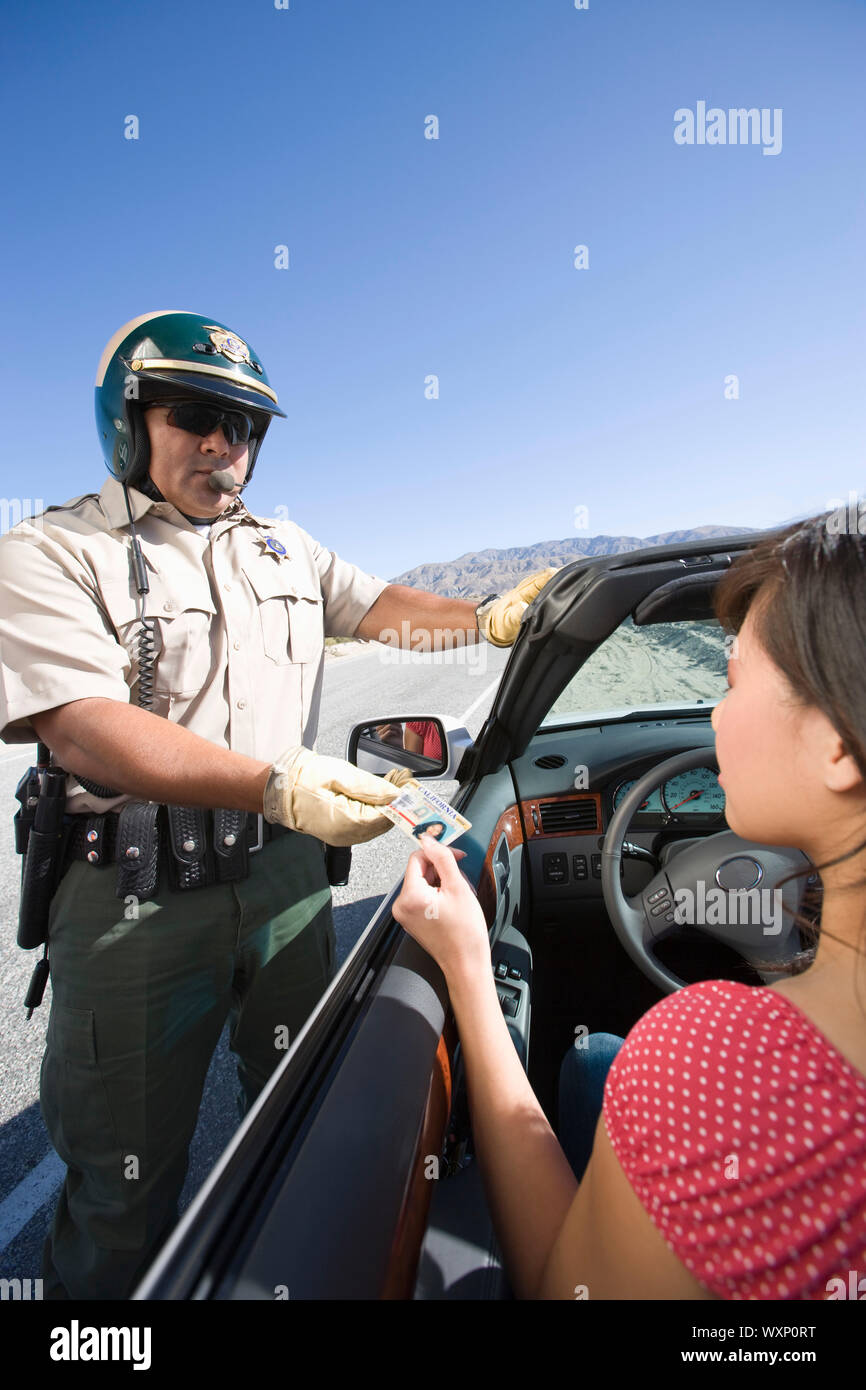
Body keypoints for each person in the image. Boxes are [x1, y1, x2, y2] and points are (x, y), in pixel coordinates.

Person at [0, 309, 557, 1300]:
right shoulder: (52, 551)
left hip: (288, 877)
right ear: (127, 421)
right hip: (137, 903)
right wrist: (274, 780)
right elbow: (82, 725)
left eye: (246, 423)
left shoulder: (284, 548)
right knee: (120, 1198)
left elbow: (383, 609)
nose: (224, 443)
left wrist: (486, 617)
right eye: (197, 414)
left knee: (306, 1124)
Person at [393, 512, 866, 1299]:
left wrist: (470, 970)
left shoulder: (712, 1063)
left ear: (839, 748)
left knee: (587, 1061)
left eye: (734, 680)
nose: (713, 715)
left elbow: (560, 1287)